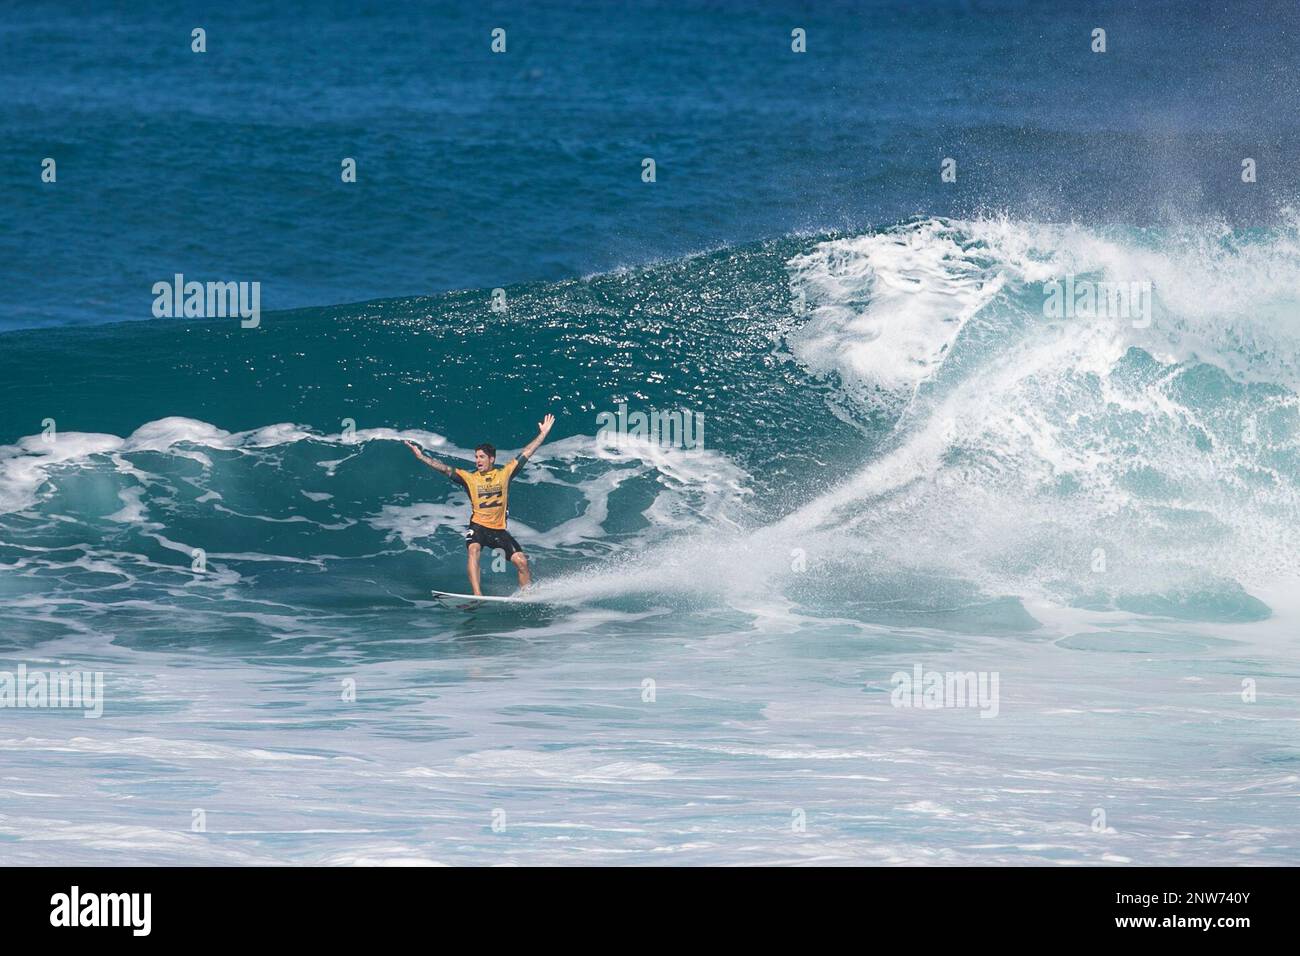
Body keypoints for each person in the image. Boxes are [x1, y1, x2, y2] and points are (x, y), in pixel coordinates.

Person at [404, 414, 554, 595]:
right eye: (476, 457)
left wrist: (543, 433)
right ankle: (477, 595)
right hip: (478, 527)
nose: (478, 461)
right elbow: (444, 468)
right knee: (473, 550)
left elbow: (527, 452)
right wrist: (422, 457)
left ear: (491, 459)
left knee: (521, 561)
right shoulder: (469, 478)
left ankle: (527, 597)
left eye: (482, 457)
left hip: (498, 530)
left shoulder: (505, 473)